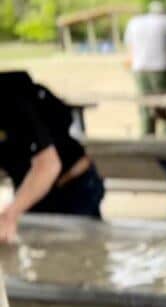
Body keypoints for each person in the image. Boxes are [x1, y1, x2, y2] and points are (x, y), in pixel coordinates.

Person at [0, 72, 106, 242]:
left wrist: (10, 213)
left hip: (71, 184)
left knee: (81, 256)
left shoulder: (12, 97)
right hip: (31, 190)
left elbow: (48, 165)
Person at [123, 1, 166, 136]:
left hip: (139, 69)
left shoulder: (135, 22)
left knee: (145, 105)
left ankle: (147, 135)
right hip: (160, 68)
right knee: (164, 103)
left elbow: (130, 48)